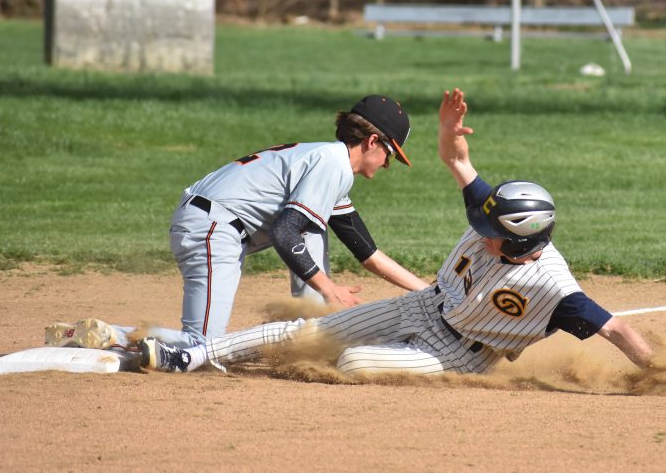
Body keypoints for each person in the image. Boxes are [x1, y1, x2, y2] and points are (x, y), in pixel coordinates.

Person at [137, 87, 653, 375]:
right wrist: (448, 131)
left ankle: (198, 346)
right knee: (308, 333)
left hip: (458, 351)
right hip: (421, 309)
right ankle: (197, 352)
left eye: (490, 229)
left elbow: (618, 329)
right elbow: (458, 163)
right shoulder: (491, 211)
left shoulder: (555, 288)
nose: (479, 226)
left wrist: (662, 372)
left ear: (521, 243)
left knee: (353, 360)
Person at [46, 94, 430, 351]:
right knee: (203, 349)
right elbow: (284, 233)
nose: (387, 164)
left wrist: (430, 291)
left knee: (314, 227)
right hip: (212, 228)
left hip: (208, 223)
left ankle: (311, 335)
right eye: (391, 154)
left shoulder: (325, 163)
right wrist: (328, 288)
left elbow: (368, 253)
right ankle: (111, 334)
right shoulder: (332, 164)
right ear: (373, 141)